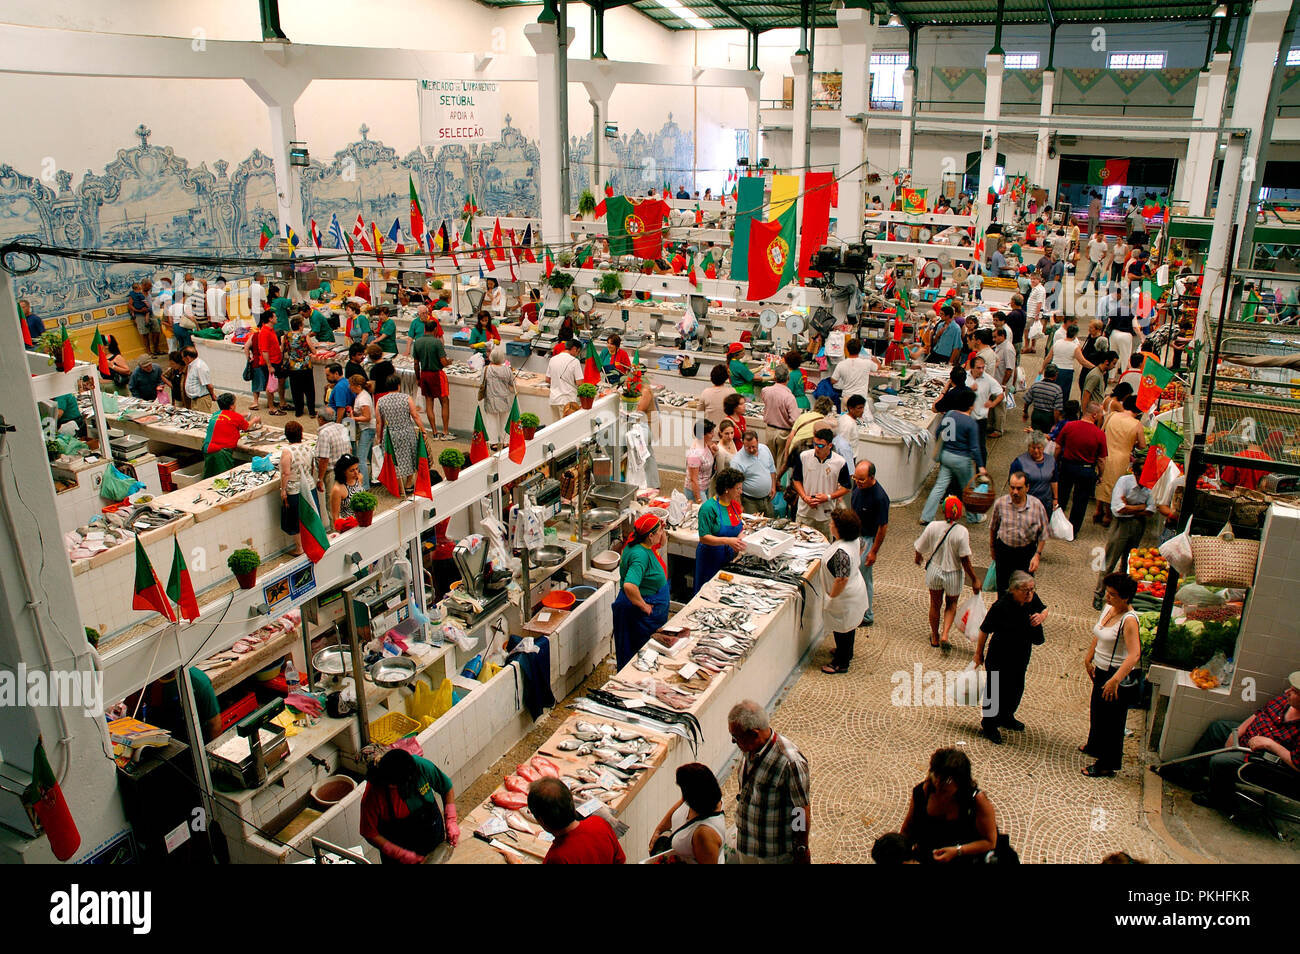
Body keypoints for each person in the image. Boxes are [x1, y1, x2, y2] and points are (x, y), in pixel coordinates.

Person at [1171, 674, 1300, 813]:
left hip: (1263, 758)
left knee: (1220, 761)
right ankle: (1189, 774)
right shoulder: (1286, 700)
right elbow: (1260, 713)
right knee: (1218, 728)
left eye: (1294, 692)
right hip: (1250, 736)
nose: (1287, 692)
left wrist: (1270, 744)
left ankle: (1219, 799)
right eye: (1290, 688)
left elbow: (1297, 764)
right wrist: (1238, 731)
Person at [728, 700, 811, 864]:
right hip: (748, 844)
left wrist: (801, 848)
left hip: (773, 853)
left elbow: (800, 810)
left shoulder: (790, 762)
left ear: (754, 734)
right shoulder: (750, 749)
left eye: (736, 738)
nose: (734, 743)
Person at [975, 571, 1048, 744]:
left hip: (1021, 653)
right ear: (1013, 590)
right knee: (995, 690)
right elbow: (984, 629)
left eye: (1031, 589)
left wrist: (1041, 617)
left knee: (1015, 688)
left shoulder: (1032, 600)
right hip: (1000, 654)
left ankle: (1007, 716)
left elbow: (1045, 609)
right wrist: (979, 653)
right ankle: (989, 723)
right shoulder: (1001, 606)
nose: (1029, 593)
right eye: (1025, 590)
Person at [1081, 573, 1142, 778]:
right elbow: (1098, 635)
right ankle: (1095, 745)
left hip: (1115, 673)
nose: (1108, 598)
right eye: (1107, 593)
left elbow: (1134, 654)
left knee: (1112, 721)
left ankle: (1107, 763)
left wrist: (1115, 680)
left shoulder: (1129, 620)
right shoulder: (1108, 609)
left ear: (1125, 598)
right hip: (1101, 669)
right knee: (1097, 710)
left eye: (1113, 595)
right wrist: (1089, 659)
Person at [901, 748, 999, 864]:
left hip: (964, 857)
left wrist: (957, 851)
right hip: (928, 855)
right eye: (936, 775)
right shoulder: (923, 792)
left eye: (946, 780)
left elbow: (990, 841)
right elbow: (908, 828)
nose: (938, 783)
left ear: (960, 781)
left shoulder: (976, 801)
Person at [360, 748, 458, 864]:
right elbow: (369, 833)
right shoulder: (373, 794)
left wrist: (451, 819)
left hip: (432, 837)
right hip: (399, 854)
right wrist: (397, 853)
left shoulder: (420, 766)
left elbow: (446, 787)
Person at [915, 496, 981, 649]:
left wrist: (918, 558)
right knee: (951, 604)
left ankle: (935, 636)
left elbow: (919, 548)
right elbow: (965, 560)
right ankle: (945, 634)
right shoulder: (962, 532)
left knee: (935, 604)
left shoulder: (932, 526)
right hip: (954, 574)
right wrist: (974, 579)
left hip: (934, 571)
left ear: (943, 510)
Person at [1092, 452, 1154, 610]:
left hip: (1138, 525)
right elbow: (1118, 510)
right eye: (1142, 474)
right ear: (1135, 472)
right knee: (1110, 560)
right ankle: (1099, 593)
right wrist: (1140, 507)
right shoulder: (1124, 482)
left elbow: (1151, 510)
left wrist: (1131, 508)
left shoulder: (1150, 486)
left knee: (1128, 561)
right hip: (1121, 524)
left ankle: (1120, 594)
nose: (1144, 478)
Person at [613, 513, 670, 669]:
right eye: (659, 531)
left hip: (649, 602)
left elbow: (662, 542)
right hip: (641, 614)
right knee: (642, 654)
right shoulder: (640, 555)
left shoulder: (642, 540)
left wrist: (662, 529)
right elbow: (629, 585)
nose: (661, 534)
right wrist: (644, 606)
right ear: (650, 536)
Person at [920, 390, 986, 524]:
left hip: (946, 456)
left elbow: (939, 431)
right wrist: (981, 466)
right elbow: (975, 447)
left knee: (939, 487)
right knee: (969, 489)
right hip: (962, 459)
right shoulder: (971, 423)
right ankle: (974, 517)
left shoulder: (950, 414)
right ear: (970, 406)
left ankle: (926, 516)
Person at [524, 777, 624, 864]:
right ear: (572, 802)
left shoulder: (557, 858)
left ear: (541, 820)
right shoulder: (599, 823)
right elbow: (620, 860)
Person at [819, 509, 870, 675]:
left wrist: (832, 596)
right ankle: (846, 652)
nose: (829, 525)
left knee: (842, 628)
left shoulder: (841, 552)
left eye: (832, 523)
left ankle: (841, 663)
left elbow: (842, 579)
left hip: (844, 596)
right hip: (855, 590)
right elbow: (863, 546)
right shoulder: (855, 540)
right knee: (848, 626)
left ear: (840, 528)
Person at [648, 763, 724, 863]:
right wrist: (659, 830)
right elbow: (681, 804)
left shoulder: (704, 835)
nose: (682, 797)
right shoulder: (699, 799)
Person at [988, 472, 1049, 596]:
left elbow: (1044, 532)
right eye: (1012, 487)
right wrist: (992, 548)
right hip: (1004, 551)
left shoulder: (1037, 506)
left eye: (1019, 488)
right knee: (1003, 590)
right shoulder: (1001, 503)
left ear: (1027, 487)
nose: (1015, 492)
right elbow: (993, 527)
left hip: (1026, 553)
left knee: (1025, 590)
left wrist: (1037, 555)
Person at [1054, 401, 1108, 537]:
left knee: (1061, 495)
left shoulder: (1069, 426)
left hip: (1067, 466)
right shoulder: (1099, 434)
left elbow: (1058, 447)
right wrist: (1101, 475)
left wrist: (1055, 462)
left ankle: (1055, 523)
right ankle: (1073, 530)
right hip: (1086, 470)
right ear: (1095, 415)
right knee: (1080, 501)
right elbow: (1102, 460)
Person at [694, 468, 747, 596]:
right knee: (707, 593)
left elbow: (740, 527)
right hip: (710, 558)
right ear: (727, 489)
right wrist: (728, 541)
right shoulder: (708, 508)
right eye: (738, 488)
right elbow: (704, 537)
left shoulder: (734, 505)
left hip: (728, 557)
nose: (741, 492)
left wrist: (740, 538)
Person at [790, 427, 851, 539]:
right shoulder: (804, 456)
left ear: (830, 446)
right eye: (815, 444)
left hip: (826, 515)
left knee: (824, 545)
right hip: (805, 512)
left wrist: (828, 497)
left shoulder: (840, 462)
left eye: (821, 445)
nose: (817, 448)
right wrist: (804, 497)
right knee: (800, 542)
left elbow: (846, 487)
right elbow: (796, 479)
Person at [1095, 395, 1145, 526]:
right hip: (1121, 457)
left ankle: (1097, 510)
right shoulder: (1137, 424)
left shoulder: (1112, 416)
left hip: (1105, 453)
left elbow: (1102, 431)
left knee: (1102, 481)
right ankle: (1107, 515)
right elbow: (1142, 445)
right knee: (1114, 486)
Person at [850, 459, 889, 627]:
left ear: (871, 477)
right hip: (855, 537)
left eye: (861, 480)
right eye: (855, 478)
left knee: (864, 578)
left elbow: (882, 527)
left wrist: (874, 551)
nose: (858, 482)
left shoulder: (880, 497)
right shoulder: (858, 487)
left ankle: (867, 614)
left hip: (867, 539)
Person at [375, 376, 428, 496]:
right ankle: (409, 483)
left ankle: (399, 486)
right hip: (406, 432)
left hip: (390, 434)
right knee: (410, 456)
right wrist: (423, 430)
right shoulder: (406, 398)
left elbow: (379, 422)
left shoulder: (381, 401)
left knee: (395, 460)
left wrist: (379, 437)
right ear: (398, 386)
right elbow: (415, 416)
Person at [278, 421, 321, 556]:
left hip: (294, 489)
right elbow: (313, 467)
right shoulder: (308, 448)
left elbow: (286, 473)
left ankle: (299, 548)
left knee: (295, 519)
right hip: (309, 486)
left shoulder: (287, 451)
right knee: (310, 515)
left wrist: (283, 489)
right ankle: (313, 542)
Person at [202, 393, 259, 477]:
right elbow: (246, 426)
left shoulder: (215, 414)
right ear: (232, 406)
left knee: (210, 475)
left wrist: (244, 414)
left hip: (207, 448)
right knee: (224, 476)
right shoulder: (235, 417)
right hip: (220, 452)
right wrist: (255, 420)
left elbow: (229, 417)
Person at [412, 321, 452, 440]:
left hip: (424, 374)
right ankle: (445, 432)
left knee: (429, 402)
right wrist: (449, 362)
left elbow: (415, 363)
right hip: (436, 374)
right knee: (444, 401)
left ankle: (434, 432)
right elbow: (443, 362)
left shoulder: (417, 342)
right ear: (435, 329)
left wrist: (418, 378)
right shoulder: (437, 342)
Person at [1010, 432, 1058, 518]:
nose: (1036, 450)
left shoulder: (1051, 460)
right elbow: (1012, 485)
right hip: (1027, 504)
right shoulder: (1019, 462)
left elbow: (1054, 480)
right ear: (1028, 447)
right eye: (1033, 447)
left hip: (1046, 503)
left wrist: (1055, 498)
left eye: (1039, 448)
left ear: (1044, 447)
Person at [731, 429, 777, 516]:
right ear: (743, 443)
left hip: (767, 499)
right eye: (748, 447)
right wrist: (739, 505)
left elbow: (772, 469)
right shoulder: (737, 461)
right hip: (749, 501)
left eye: (754, 446)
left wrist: (773, 486)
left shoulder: (765, 449)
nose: (751, 450)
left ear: (757, 442)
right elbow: (735, 486)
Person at [968, 356, 1004, 464]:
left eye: (983, 368)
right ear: (972, 368)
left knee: (980, 446)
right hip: (966, 417)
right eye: (978, 368)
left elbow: (1000, 394)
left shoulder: (988, 379)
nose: (981, 370)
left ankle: (981, 470)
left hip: (980, 419)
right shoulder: (965, 377)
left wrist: (993, 404)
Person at [282, 316, 318, 418]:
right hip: (305, 366)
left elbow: (283, 349)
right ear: (300, 326)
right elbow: (313, 351)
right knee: (309, 390)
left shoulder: (286, 336)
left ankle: (299, 411)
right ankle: (311, 411)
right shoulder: (304, 337)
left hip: (293, 367)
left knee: (296, 390)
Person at [481, 346, 516, 450]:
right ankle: (506, 442)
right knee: (505, 421)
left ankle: (493, 443)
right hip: (504, 399)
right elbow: (513, 385)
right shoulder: (507, 370)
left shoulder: (486, 369)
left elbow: (481, 383)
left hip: (490, 399)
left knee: (491, 421)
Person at [314, 410, 352, 501]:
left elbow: (324, 459)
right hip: (345, 468)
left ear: (321, 419)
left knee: (333, 505)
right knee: (345, 500)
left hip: (333, 473)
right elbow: (350, 449)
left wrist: (320, 479)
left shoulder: (324, 433)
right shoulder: (342, 427)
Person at [830, 337, 878, 406]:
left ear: (847, 349)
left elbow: (833, 381)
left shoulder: (841, 364)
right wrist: (875, 360)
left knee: (845, 416)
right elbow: (877, 368)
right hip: (860, 399)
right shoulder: (867, 363)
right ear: (860, 349)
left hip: (847, 399)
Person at [546, 338, 583, 422]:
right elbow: (580, 383)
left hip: (554, 400)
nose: (577, 354)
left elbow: (547, 379)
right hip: (568, 403)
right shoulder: (574, 361)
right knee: (567, 429)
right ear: (574, 349)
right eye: (578, 352)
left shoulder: (553, 359)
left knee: (555, 429)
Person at [1022, 363, 1063, 434]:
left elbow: (1027, 401)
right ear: (1055, 375)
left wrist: (1025, 412)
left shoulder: (1036, 385)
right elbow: (1057, 410)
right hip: (1048, 417)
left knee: (1034, 436)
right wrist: (1056, 424)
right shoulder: (1057, 389)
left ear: (1044, 374)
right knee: (1046, 437)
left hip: (1036, 414)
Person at [684, 419, 717, 503]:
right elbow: (693, 480)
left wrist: (713, 452)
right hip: (696, 490)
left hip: (705, 487)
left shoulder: (705, 444)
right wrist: (699, 499)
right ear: (702, 435)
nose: (713, 435)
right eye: (710, 433)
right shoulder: (694, 454)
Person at [328, 454, 364, 527]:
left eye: (357, 468)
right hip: (348, 526)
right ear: (343, 472)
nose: (356, 472)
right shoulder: (337, 490)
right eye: (352, 470)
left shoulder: (358, 478)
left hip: (362, 521)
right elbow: (336, 517)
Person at [181, 346, 216, 413]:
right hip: (194, 400)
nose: (182, 359)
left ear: (187, 357)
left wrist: (212, 395)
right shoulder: (191, 365)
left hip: (201, 400)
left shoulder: (200, 367)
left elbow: (209, 385)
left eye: (183, 357)